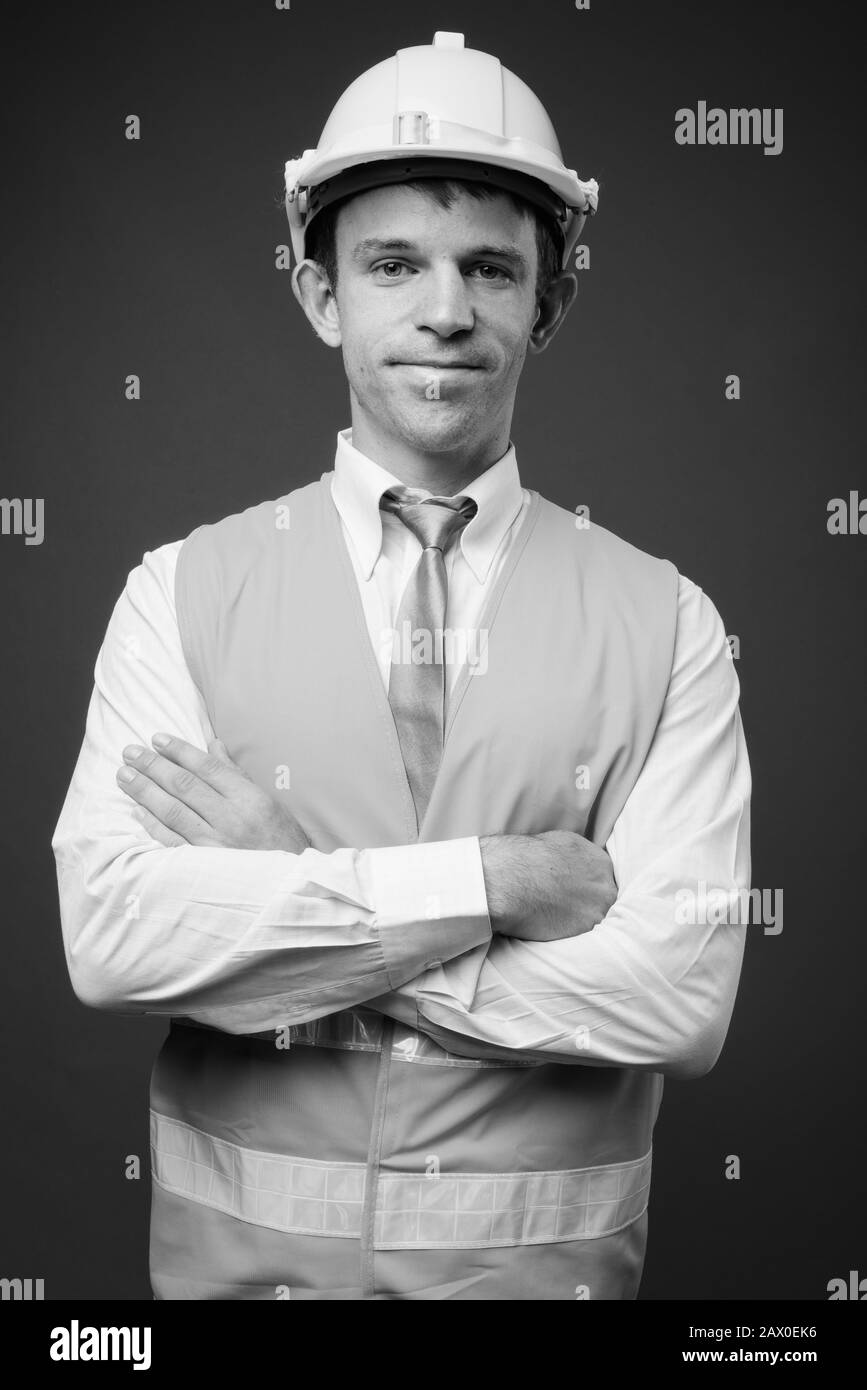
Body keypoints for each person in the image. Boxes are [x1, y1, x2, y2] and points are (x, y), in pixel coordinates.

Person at [51, 31, 751, 1300]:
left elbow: (675, 1003)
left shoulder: (670, 624)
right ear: (323, 296)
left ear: (551, 299)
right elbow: (115, 942)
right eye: (393, 265)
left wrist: (293, 901)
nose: (446, 309)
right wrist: (501, 878)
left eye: (491, 268)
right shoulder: (180, 593)